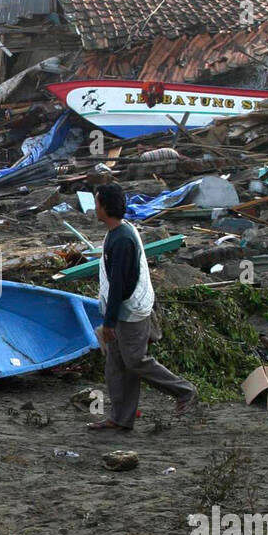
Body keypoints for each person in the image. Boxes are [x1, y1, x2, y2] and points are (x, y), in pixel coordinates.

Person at [87, 182, 197, 431]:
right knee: (115, 365)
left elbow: (120, 286)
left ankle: (185, 391)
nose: (94, 208)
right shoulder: (118, 232)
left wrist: (109, 322)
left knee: (135, 361)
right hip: (124, 308)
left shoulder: (123, 240)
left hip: (131, 312)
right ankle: (120, 418)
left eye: (96, 203)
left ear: (105, 207)